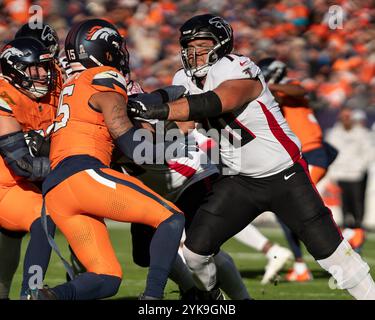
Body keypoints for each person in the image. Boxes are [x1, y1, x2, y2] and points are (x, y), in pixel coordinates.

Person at [128, 13, 375, 300]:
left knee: (334, 258)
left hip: (284, 174)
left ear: (221, 45)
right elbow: (184, 122)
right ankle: (214, 301)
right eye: (189, 46)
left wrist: (156, 109)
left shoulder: (238, 67)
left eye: (203, 44)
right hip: (238, 181)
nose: (195, 53)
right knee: (195, 253)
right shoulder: (184, 78)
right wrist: (144, 125)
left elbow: (217, 101)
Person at [29, 18, 184, 300]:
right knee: (171, 218)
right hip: (84, 173)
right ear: (102, 51)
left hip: (56, 189)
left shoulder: (71, 84)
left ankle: (49, 297)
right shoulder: (104, 77)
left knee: (107, 277)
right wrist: (173, 149)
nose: (118, 57)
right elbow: (131, 143)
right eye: (114, 51)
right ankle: (153, 299)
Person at [235, 57, 339, 283]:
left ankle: (312, 259)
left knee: (293, 208)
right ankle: (302, 264)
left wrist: (266, 85)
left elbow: (298, 89)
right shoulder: (275, 96)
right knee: (288, 211)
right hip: (302, 156)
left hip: (310, 153)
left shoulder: (287, 87)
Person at [0, 22, 64, 301]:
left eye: (44, 68)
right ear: (14, 69)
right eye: (34, 69)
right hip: (7, 185)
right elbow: (22, 164)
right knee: (43, 218)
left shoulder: (53, 87)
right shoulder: (4, 95)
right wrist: (69, 165)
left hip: (25, 185)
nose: (42, 75)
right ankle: (32, 293)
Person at [326, 107, 373, 252]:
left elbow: (370, 152)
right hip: (341, 175)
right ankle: (348, 239)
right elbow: (329, 153)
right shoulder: (333, 133)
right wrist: (333, 172)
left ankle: (358, 239)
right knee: (345, 210)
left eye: (348, 117)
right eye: (344, 117)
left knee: (358, 208)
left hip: (357, 176)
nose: (346, 119)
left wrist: (359, 166)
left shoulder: (362, 133)